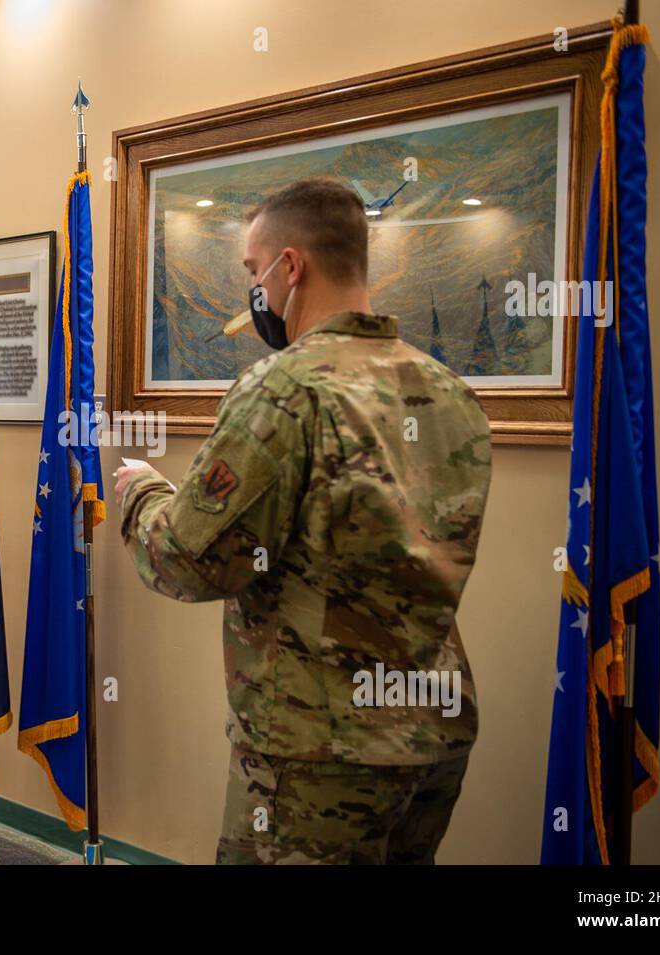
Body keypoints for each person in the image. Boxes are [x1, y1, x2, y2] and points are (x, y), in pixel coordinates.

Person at [114, 178, 492, 864]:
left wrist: (142, 493)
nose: (253, 290)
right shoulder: (448, 391)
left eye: (254, 271)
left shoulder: (286, 386)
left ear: (291, 267)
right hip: (433, 728)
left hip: (318, 751)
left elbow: (188, 560)